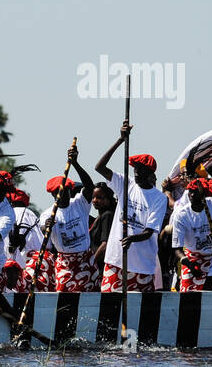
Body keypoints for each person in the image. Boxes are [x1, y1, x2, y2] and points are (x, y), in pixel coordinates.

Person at [94, 122, 168, 292]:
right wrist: (120, 140)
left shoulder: (159, 198)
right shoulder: (126, 183)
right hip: (116, 260)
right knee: (109, 308)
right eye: (134, 168)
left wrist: (132, 239)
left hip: (141, 265)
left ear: (150, 173)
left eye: (140, 169)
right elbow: (99, 167)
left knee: (138, 313)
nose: (135, 172)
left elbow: (150, 231)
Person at [31, 144, 98, 292]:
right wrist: (46, 227)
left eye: (64, 192)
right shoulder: (48, 214)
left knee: (90, 298)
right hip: (65, 263)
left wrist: (75, 163)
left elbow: (89, 186)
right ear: (52, 195)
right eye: (57, 193)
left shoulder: (80, 203)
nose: (61, 196)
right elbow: (43, 228)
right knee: (64, 300)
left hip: (85, 260)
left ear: (70, 190)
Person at [170, 179, 212, 291]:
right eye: (190, 191)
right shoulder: (181, 215)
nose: (192, 195)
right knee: (189, 300)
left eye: (196, 192)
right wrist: (189, 264)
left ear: (204, 194)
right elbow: (177, 249)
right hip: (191, 261)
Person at [89, 182, 116, 271]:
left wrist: (92, 263)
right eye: (93, 197)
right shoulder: (99, 217)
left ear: (108, 199)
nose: (94, 200)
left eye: (99, 198)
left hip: (101, 267)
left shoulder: (108, 215)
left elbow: (105, 244)